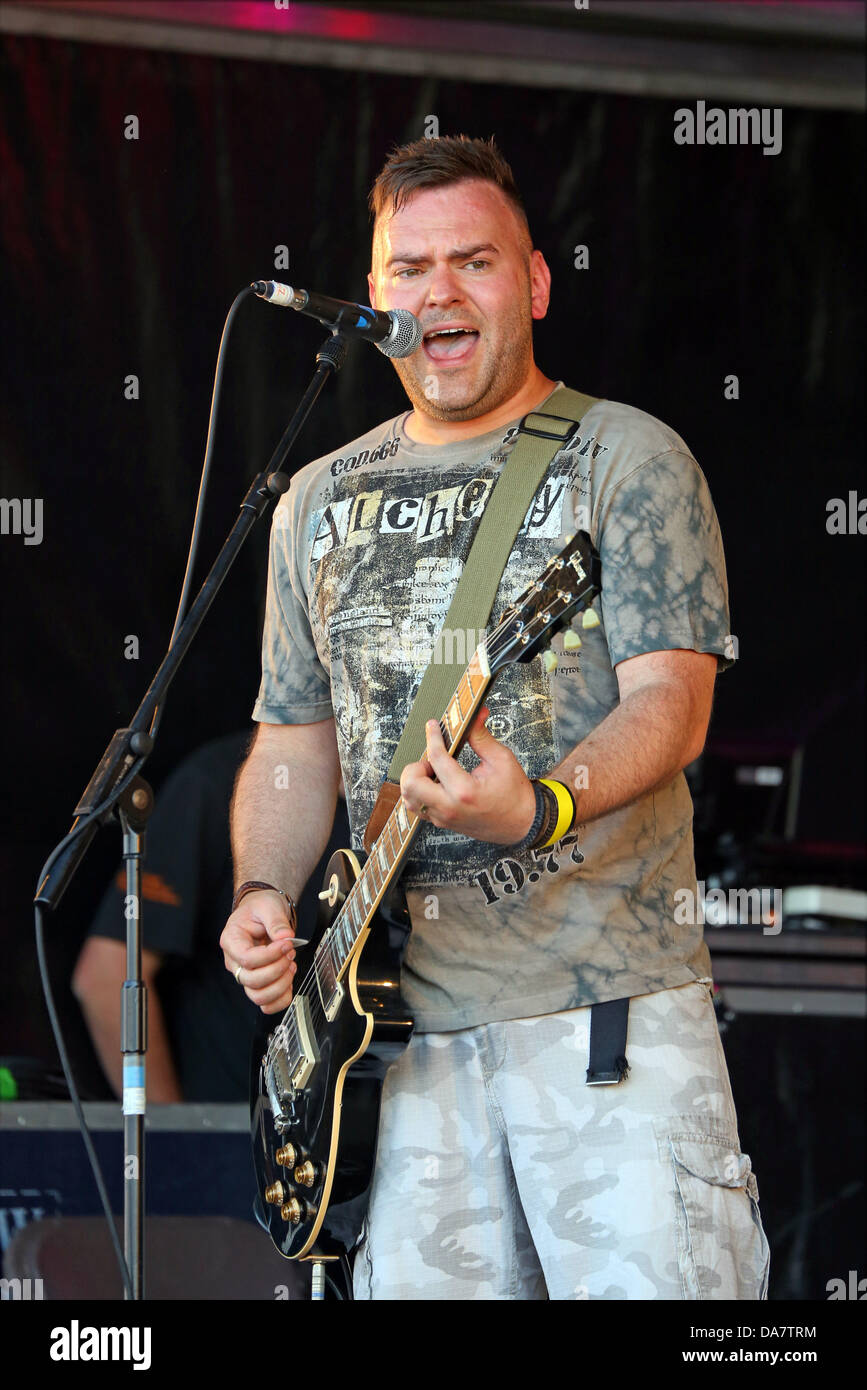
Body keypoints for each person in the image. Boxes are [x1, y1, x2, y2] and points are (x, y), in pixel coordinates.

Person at [220, 135, 770, 1300]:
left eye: (473, 260)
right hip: (398, 1042)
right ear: (375, 301)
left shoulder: (624, 458)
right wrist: (265, 894)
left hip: (605, 1016)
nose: (440, 293)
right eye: (410, 267)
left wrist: (546, 800)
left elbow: (671, 703)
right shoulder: (313, 500)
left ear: (534, 281)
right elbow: (290, 742)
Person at [74, 731, 349, 1103]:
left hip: (369, 1120)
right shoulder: (213, 782)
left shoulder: (413, 791)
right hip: (231, 1132)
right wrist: (176, 1139)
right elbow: (106, 977)